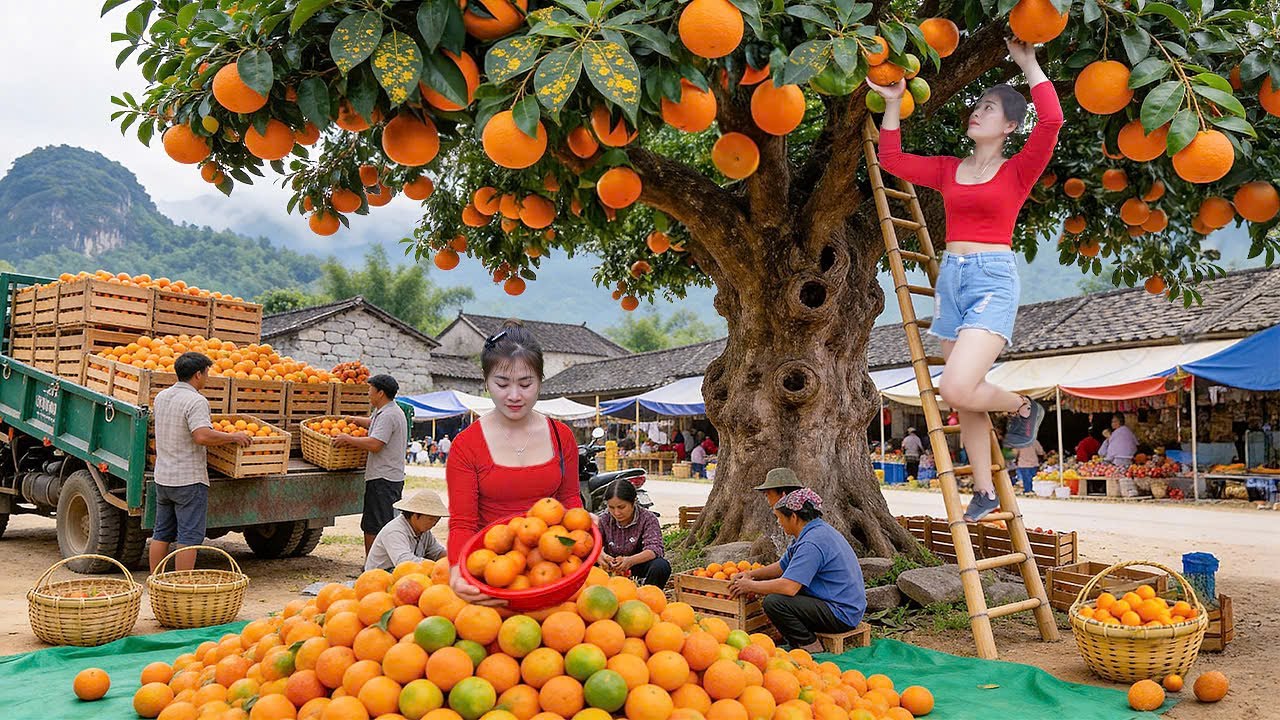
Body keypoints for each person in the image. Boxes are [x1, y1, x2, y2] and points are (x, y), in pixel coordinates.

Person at [869, 38, 1062, 522]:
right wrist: (893, 104)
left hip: (993, 280)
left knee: (955, 388)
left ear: (1010, 126)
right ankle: (985, 490)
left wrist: (1028, 62)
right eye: (977, 106)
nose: (977, 112)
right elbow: (892, 160)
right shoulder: (949, 170)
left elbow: (1053, 121)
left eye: (989, 107)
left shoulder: (1019, 171)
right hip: (952, 282)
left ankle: (1023, 407)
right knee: (969, 397)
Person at [446, 320, 582, 605]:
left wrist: (583, 536)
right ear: (486, 382)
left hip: (552, 570)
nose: (514, 396)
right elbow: (462, 523)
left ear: (540, 380)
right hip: (491, 573)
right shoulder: (466, 445)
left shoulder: (562, 436)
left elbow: (570, 499)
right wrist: (458, 570)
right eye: (502, 384)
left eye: (526, 384)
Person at [728, 489, 866, 653]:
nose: (779, 522)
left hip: (841, 614)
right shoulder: (813, 531)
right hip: (841, 604)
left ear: (793, 517)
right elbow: (783, 566)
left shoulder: (811, 543)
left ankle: (809, 645)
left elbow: (789, 587)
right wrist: (751, 574)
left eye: (779, 517)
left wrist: (750, 586)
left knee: (774, 602)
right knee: (778, 594)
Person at [150, 352, 251, 571]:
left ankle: (155, 579)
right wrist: (233, 437)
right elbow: (202, 436)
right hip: (188, 480)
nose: (207, 377)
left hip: (164, 477)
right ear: (198, 374)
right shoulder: (196, 401)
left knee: (161, 533)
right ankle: (182, 584)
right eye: (207, 373)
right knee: (189, 537)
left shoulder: (161, 397)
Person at [333, 374, 408, 556]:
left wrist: (348, 439)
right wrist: (355, 420)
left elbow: (375, 444)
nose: (368, 393)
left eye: (370, 389)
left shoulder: (388, 415)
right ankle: (380, 562)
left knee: (374, 525)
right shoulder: (388, 411)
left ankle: (373, 565)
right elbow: (375, 424)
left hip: (383, 478)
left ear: (380, 393)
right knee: (382, 522)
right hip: (390, 477)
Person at [598, 479, 670, 587]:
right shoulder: (604, 519)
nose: (616, 513)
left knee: (661, 566)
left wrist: (630, 561)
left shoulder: (648, 519)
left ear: (634, 501)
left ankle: (649, 593)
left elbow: (655, 549)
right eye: (611, 507)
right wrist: (602, 556)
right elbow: (593, 544)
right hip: (610, 567)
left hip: (637, 564)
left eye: (621, 507)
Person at [365, 490, 449, 572]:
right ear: (415, 515)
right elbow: (404, 562)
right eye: (431, 519)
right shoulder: (395, 531)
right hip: (381, 575)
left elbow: (437, 552)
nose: (434, 523)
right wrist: (435, 566)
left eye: (437, 520)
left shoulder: (424, 531)